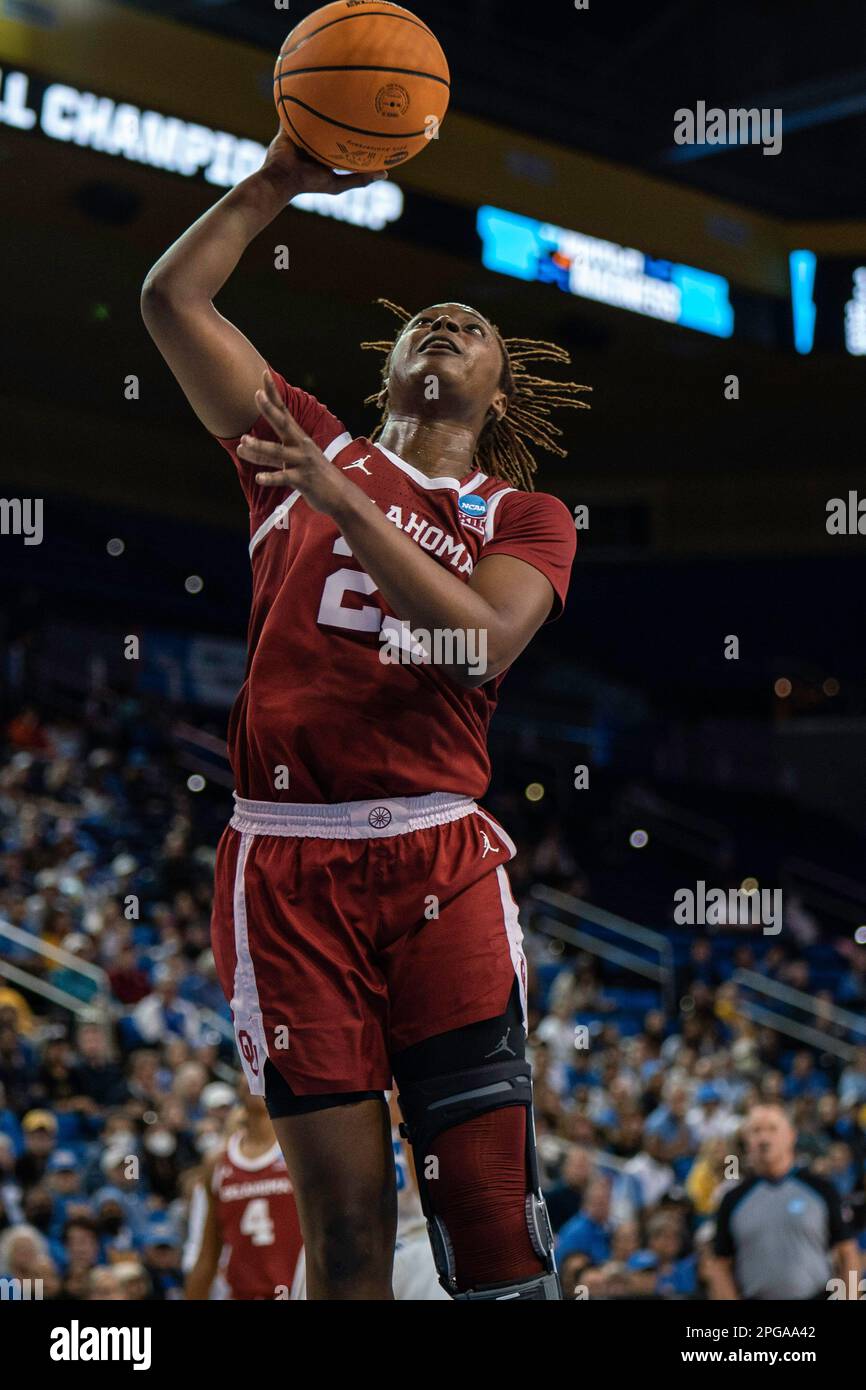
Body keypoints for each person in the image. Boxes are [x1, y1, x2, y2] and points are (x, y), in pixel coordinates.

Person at [142, 129, 588, 1302]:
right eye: (424, 320)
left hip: (436, 849)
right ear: (388, 364)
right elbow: (169, 297)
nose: (446, 327)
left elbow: (476, 643)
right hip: (287, 863)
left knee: (487, 1221)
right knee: (344, 1240)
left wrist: (340, 496)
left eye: (473, 326)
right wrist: (281, 179)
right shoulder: (295, 442)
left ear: (498, 387)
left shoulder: (523, 514)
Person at [708, 1102, 860, 1300]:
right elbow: (720, 1264)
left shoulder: (822, 1189)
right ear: (746, 1140)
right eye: (756, 1131)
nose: (764, 1138)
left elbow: (847, 1251)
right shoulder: (732, 1200)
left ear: (791, 1135)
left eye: (773, 1129)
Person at [185, 1089, 302, 1301]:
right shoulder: (218, 1163)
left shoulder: (300, 1148)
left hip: (297, 1291)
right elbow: (207, 1256)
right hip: (243, 1292)